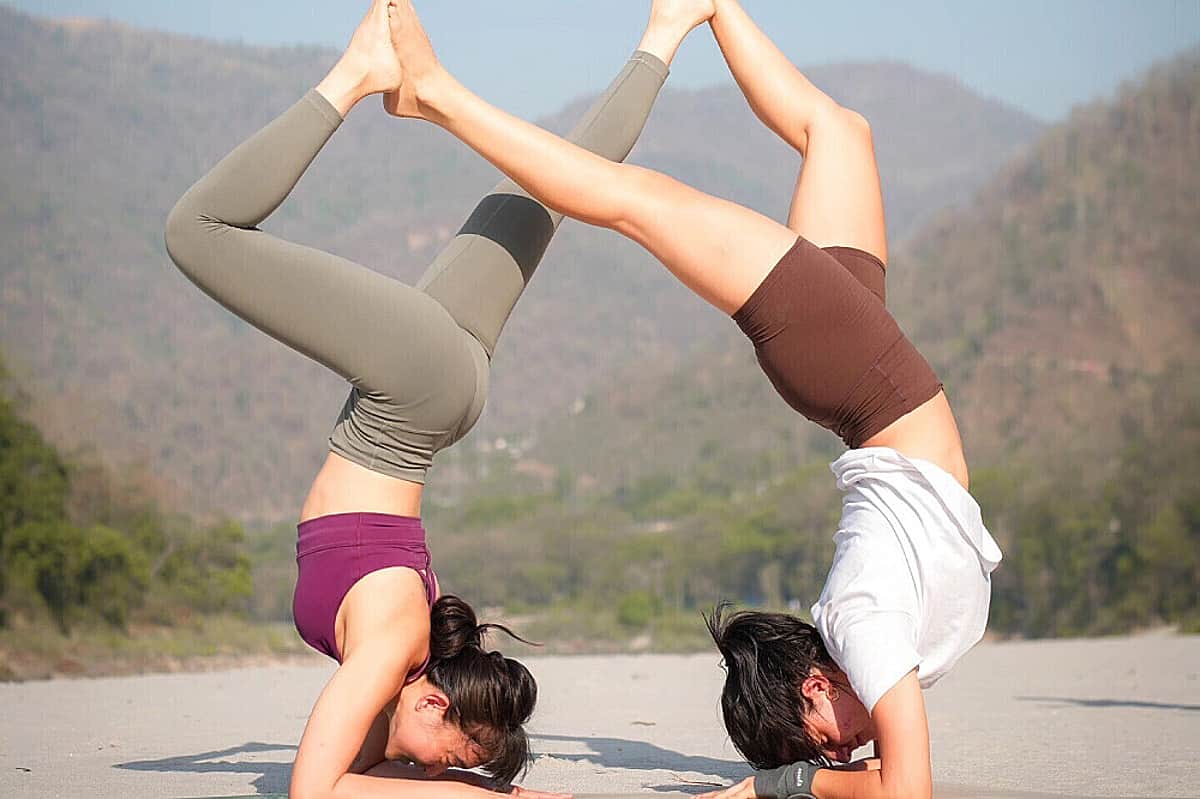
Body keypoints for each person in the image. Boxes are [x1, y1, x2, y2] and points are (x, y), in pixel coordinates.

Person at [381, 1, 1002, 797]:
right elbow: (896, 784)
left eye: (827, 746)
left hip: (861, 380)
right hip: (865, 387)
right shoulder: (871, 641)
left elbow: (895, 787)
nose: (846, 752)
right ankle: (705, 6)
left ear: (814, 686)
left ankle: (433, 92)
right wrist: (794, 782)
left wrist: (781, 786)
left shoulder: (864, 632)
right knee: (839, 133)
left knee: (634, 201)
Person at [163, 1, 680, 796]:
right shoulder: (392, 648)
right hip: (414, 387)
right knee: (196, 230)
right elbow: (320, 790)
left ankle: (667, 33)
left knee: (557, 183)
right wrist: (481, 795)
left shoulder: (402, 660)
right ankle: (359, 72)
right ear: (435, 699)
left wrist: (471, 785)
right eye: (445, 753)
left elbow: (362, 772)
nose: (425, 765)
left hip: (450, 383)